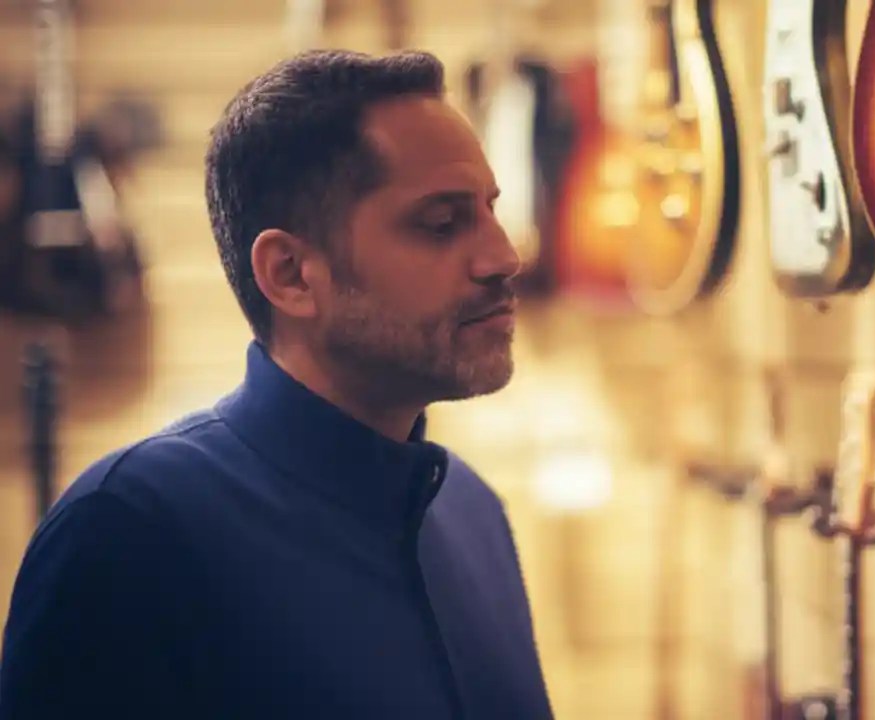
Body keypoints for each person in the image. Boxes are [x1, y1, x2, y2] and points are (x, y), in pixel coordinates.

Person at [0, 49, 554, 719]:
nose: (504, 256)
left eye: (491, 210)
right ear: (291, 275)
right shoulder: (125, 535)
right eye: (441, 223)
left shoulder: (471, 511)